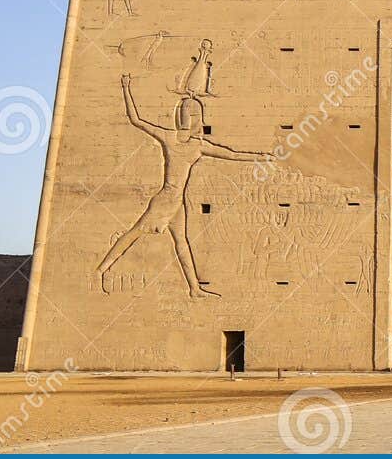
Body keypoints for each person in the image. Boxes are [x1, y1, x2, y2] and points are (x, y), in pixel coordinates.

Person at [98, 75, 273, 297]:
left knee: (181, 243)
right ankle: (101, 270)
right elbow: (232, 155)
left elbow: (137, 120)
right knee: (135, 233)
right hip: (165, 201)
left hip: (175, 202)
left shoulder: (181, 140)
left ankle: (194, 288)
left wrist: (260, 156)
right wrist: (263, 157)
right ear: (194, 119)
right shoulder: (189, 144)